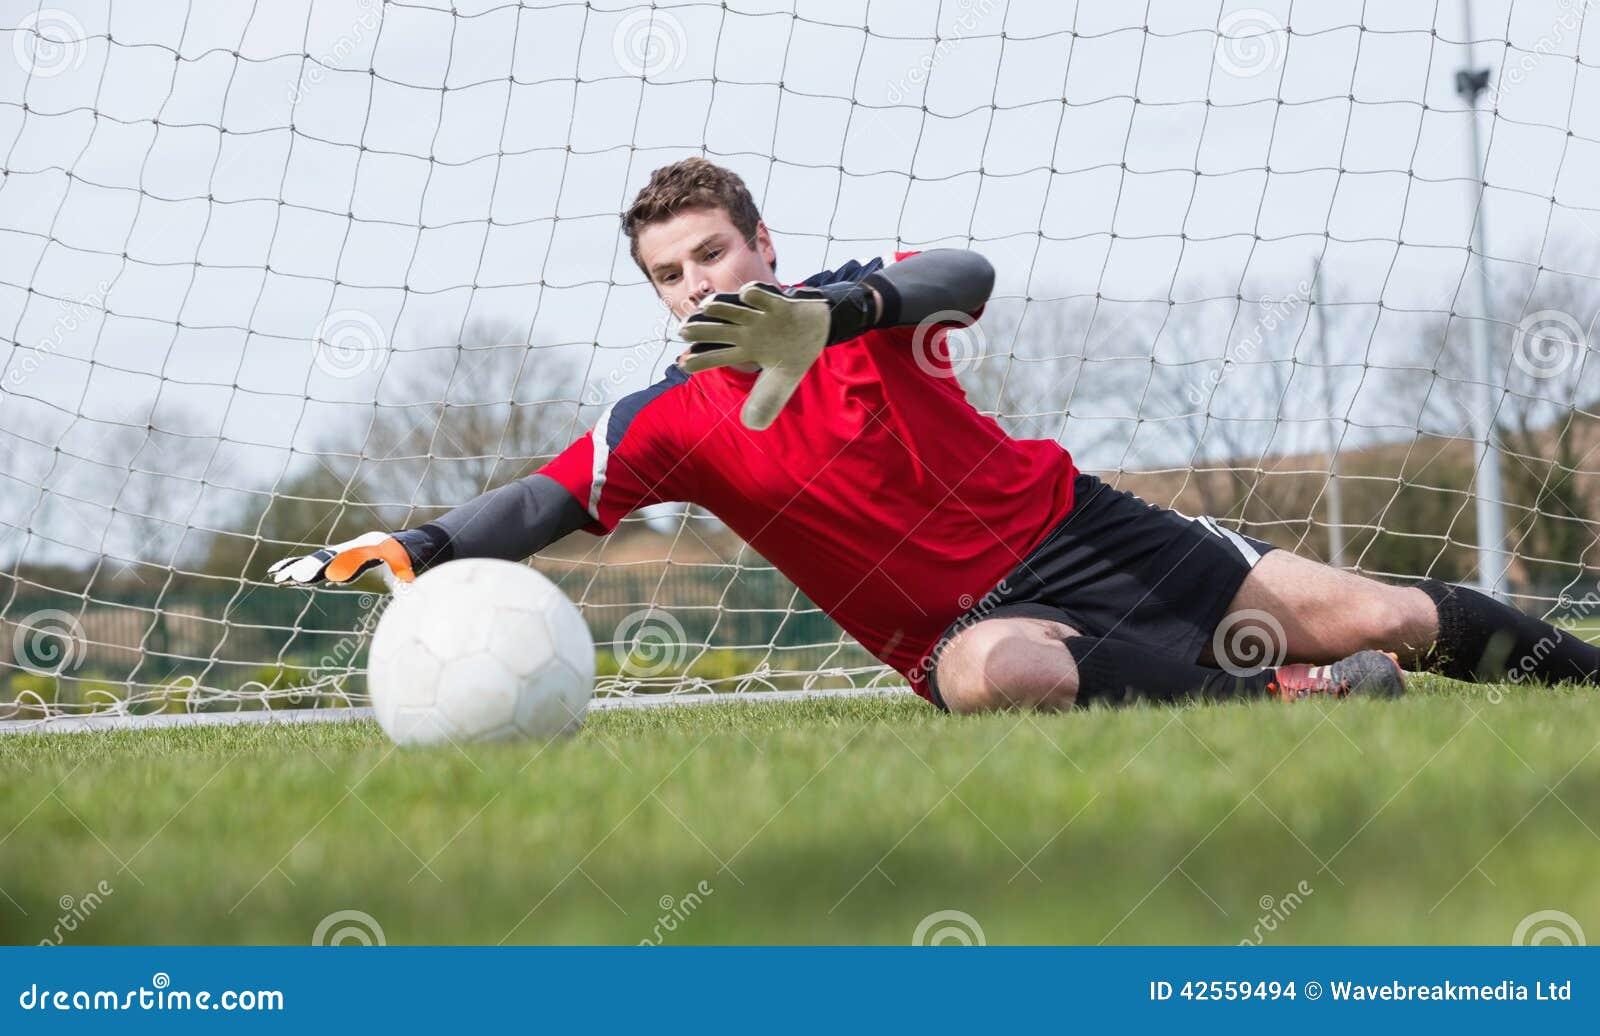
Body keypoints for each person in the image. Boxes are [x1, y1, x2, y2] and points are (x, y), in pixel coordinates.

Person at [269, 158, 1600, 713]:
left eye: (713, 253)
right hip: (961, 625)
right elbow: (545, 502)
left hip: (1081, 530)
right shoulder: (663, 425)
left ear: (759, 243)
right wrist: (420, 544)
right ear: (657, 292)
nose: (696, 284)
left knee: (1382, 615)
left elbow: (964, 270)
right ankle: (1289, 703)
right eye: (671, 274)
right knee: (1001, 679)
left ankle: (1581, 682)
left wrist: (833, 312)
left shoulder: (861, 302)